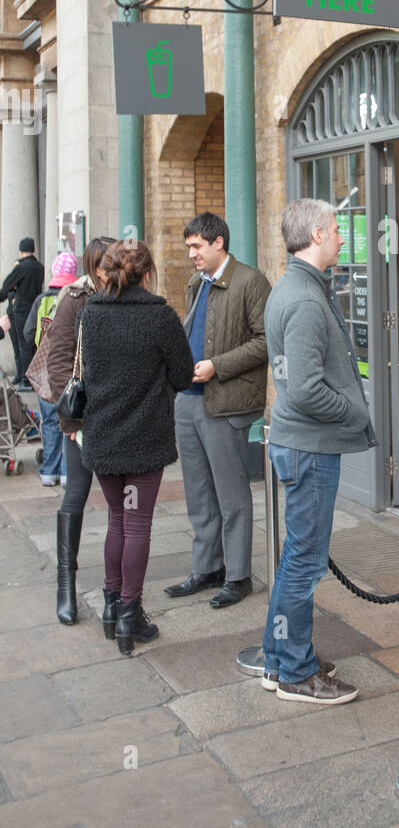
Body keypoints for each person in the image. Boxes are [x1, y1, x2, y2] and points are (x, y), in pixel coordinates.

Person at [261, 199, 376, 706]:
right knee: (304, 563)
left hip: (300, 444)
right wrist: (353, 413)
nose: (340, 238)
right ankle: (297, 673)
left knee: (295, 558)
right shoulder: (304, 299)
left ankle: (278, 658)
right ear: (314, 235)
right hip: (308, 447)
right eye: (334, 230)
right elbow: (305, 389)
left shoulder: (294, 286)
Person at [79, 240, 193, 655]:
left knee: (116, 520)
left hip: (104, 437)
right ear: (147, 274)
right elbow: (183, 376)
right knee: (137, 524)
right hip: (143, 439)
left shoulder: (92, 312)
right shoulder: (160, 316)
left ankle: (112, 607)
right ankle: (129, 612)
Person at [164, 213, 271, 608]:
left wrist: (217, 366)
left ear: (218, 243)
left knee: (231, 495)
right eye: (189, 246)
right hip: (187, 401)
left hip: (224, 403)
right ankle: (207, 568)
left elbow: (265, 341)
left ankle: (238, 575)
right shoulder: (197, 282)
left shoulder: (251, 281)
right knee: (198, 494)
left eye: (196, 246)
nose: (191, 253)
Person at [45, 237, 117, 624]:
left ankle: (115, 589)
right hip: (84, 419)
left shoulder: (124, 294)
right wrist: (70, 421)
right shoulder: (75, 299)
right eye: (107, 264)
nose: (113, 271)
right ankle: (65, 584)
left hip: (117, 417)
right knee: (76, 494)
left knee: (120, 506)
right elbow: (58, 366)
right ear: (93, 267)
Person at [22, 252, 79, 487]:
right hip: (71, 371)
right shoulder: (77, 299)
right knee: (69, 419)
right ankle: (68, 472)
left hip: (46, 372)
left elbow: (27, 333)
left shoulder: (42, 300)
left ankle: (49, 471)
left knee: (48, 422)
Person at [0, 237, 44, 386]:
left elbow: (6, 287)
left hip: (21, 310)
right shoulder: (39, 267)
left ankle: (25, 380)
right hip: (36, 308)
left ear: (21, 251)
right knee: (32, 344)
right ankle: (30, 377)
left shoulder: (21, 267)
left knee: (23, 345)